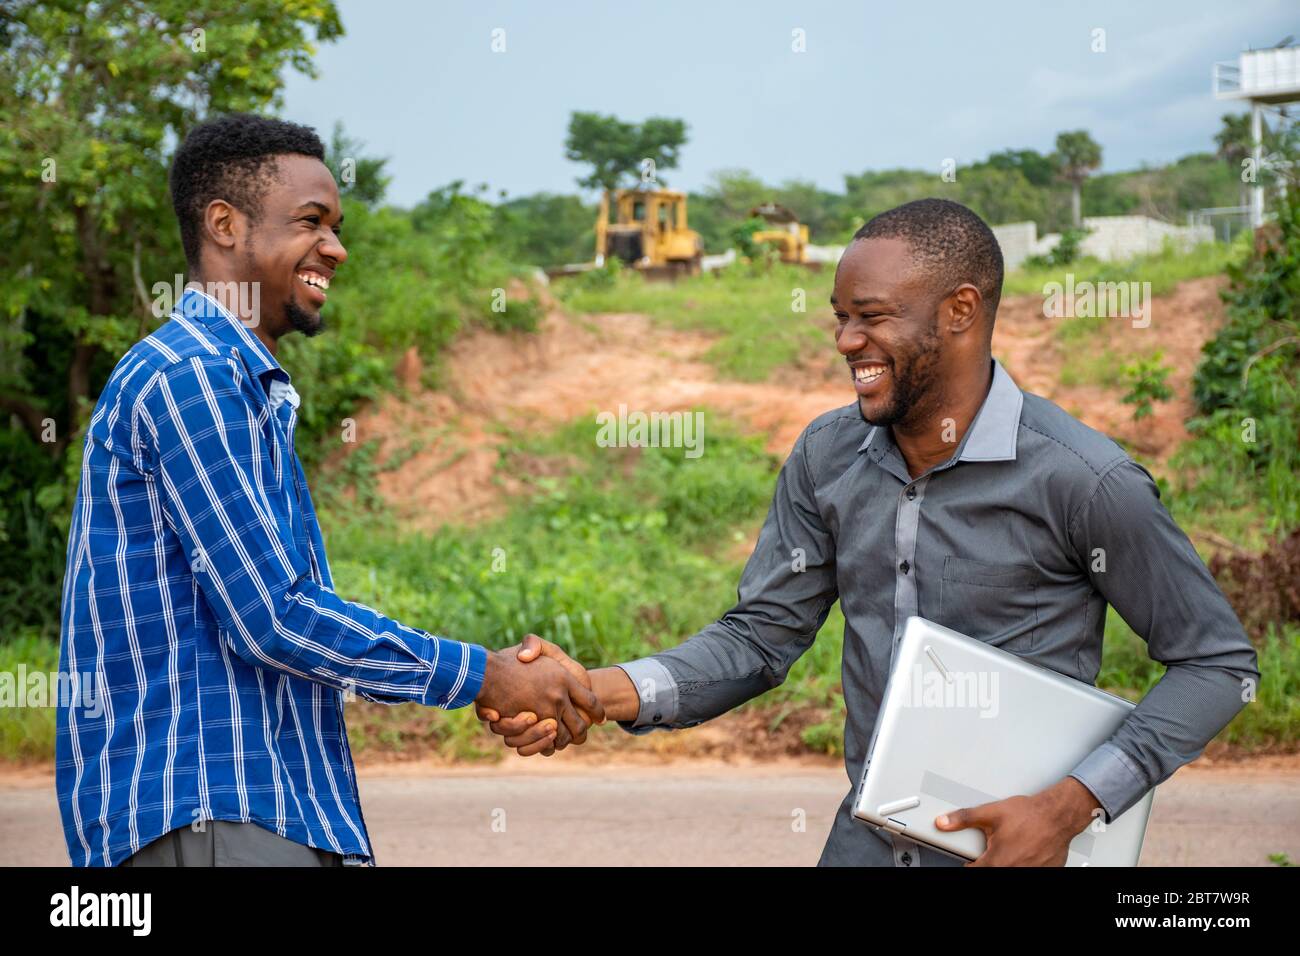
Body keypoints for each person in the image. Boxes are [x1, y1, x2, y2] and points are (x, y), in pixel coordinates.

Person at [481, 198, 1261, 867]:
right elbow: (760, 637)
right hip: (865, 841)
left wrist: (1068, 807)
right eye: (841, 318)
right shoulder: (827, 455)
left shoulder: (1083, 480)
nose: (846, 342)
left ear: (960, 311)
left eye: (873, 317)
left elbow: (1217, 665)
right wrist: (595, 692)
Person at [55, 113, 602, 868]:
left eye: (337, 227)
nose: (336, 249)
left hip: (261, 808)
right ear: (224, 224)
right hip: (214, 810)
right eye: (311, 223)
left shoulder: (236, 384)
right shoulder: (192, 377)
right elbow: (272, 616)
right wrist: (483, 672)